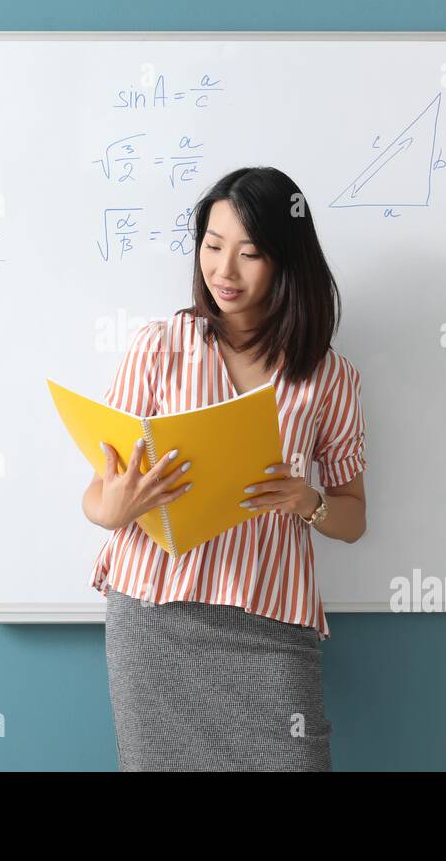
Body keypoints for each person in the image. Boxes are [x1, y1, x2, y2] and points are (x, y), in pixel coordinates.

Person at [81, 166, 369, 771]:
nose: (224, 271)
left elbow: (352, 519)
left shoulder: (329, 377)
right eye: (212, 247)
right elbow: (98, 498)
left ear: (286, 261)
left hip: (270, 627)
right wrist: (117, 505)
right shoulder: (158, 347)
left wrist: (307, 501)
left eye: (250, 253)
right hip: (154, 621)